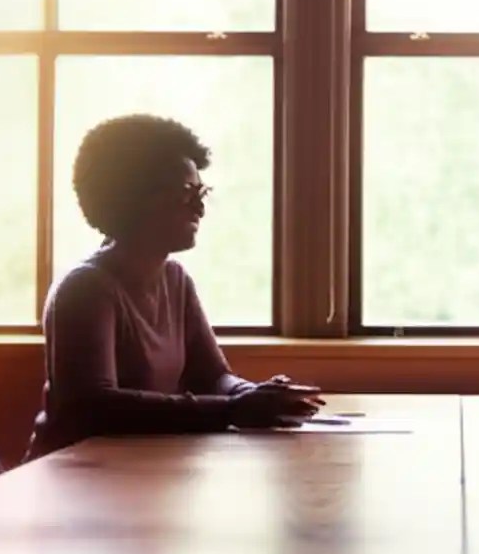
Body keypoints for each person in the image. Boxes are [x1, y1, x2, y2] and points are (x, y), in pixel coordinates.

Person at [24, 115, 322, 460]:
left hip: (135, 476)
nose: (200, 207)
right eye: (186, 193)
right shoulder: (84, 291)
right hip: (70, 483)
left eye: (202, 192)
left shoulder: (175, 279)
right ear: (132, 197)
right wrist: (232, 409)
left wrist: (255, 394)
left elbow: (213, 377)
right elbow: (93, 408)